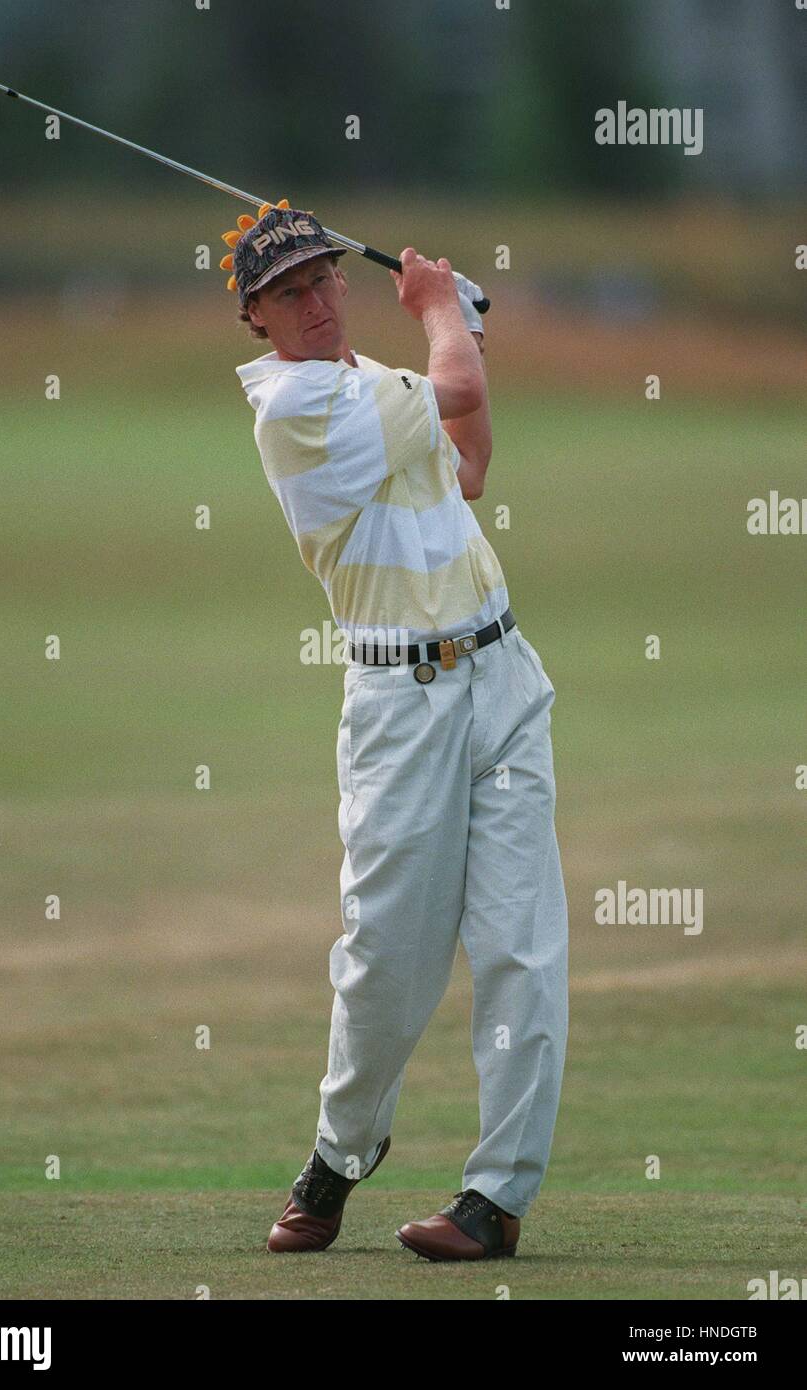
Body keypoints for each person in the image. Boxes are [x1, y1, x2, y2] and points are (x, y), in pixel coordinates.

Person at [229, 203, 569, 1262]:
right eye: (292, 293)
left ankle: (494, 1198)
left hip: (501, 675)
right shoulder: (295, 405)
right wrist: (442, 312)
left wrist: (446, 329)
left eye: (327, 279)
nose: (321, 300)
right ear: (256, 320)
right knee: (387, 958)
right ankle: (340, 1152)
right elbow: (456, 388)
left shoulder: (376, 383)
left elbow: (468, 462)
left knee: (522, 947)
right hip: (399, 704)